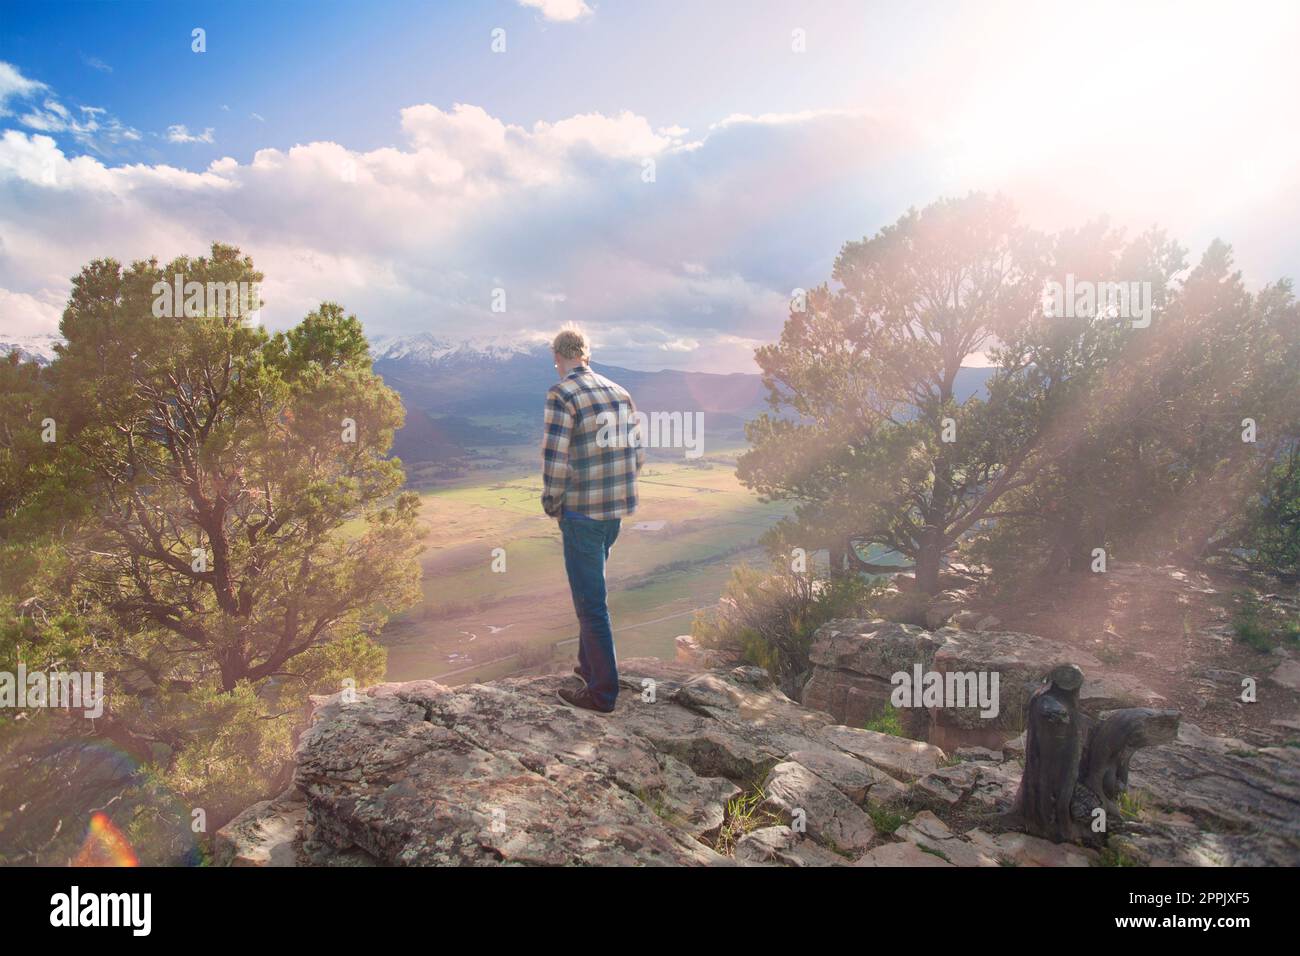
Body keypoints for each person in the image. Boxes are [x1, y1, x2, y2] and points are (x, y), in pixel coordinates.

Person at [541, 325, 643, 713]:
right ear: (587, 353)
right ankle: (587, 667)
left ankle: (602, 693)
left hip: (582, 512)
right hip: (613, 510)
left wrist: (552, 501)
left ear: (558, 358)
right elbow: (636, 453)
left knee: (590, 603)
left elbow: (555, 457)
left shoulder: (562, 393)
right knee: (593, 592)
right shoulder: (620, 392)